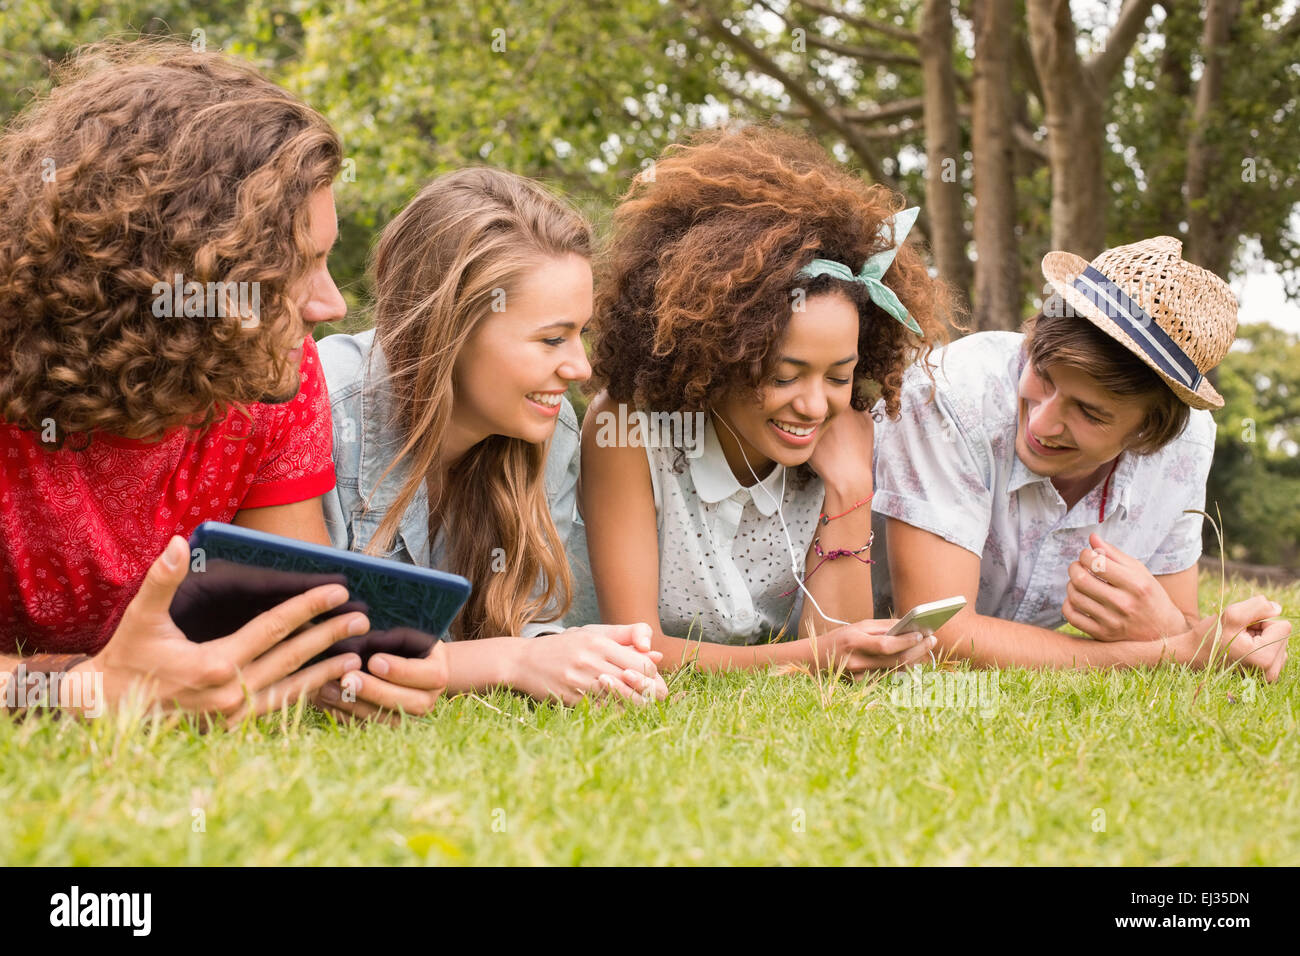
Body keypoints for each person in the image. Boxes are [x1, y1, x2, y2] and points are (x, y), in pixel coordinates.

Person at [0, 39, 366, 718]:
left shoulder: (272, 368)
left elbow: (288, 619)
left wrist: (335, 671)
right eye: (297, 267)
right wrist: (80, 691)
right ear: (180, 272)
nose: (331, 304)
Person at [576, 124, 952, 676]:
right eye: (784, 375)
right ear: (717, 355)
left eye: (838, 376)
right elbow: (636, 648)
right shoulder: (628, 429)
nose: (813, 406)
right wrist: (811, 656)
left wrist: (850, 488)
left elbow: (844, 664)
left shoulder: (839, 438)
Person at [313, 168, 666, 721]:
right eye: (552, 339)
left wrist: (569, 654)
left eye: (581, 334)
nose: (580, 367)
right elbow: (315, 647)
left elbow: (537, 627)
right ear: (449, 328)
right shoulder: (326, 407)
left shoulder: (548, 437)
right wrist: (512, 661)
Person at [872, 236, 1290, 680]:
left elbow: (1177, 624)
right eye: (1044, 376)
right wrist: (1176, 653)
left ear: (1151, 430)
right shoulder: (952, 394)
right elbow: (937, 635)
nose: (1042, 424)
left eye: (1089, 412)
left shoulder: (1185, 447)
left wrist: (1177, 632)